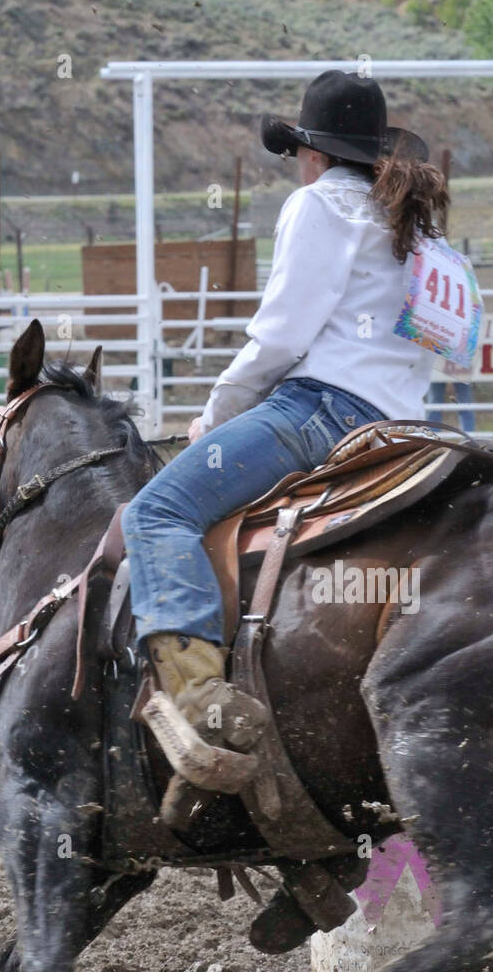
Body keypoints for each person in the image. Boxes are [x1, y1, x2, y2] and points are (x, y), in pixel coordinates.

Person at [122, 69, 470, 829]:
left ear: (311, 154)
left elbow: (280, 335)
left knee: (157, 512)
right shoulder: (418, 226)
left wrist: (215, 415)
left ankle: (199, 697)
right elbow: (449, 342)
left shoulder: (318, 205)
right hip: (406, 430)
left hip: (320, 413)